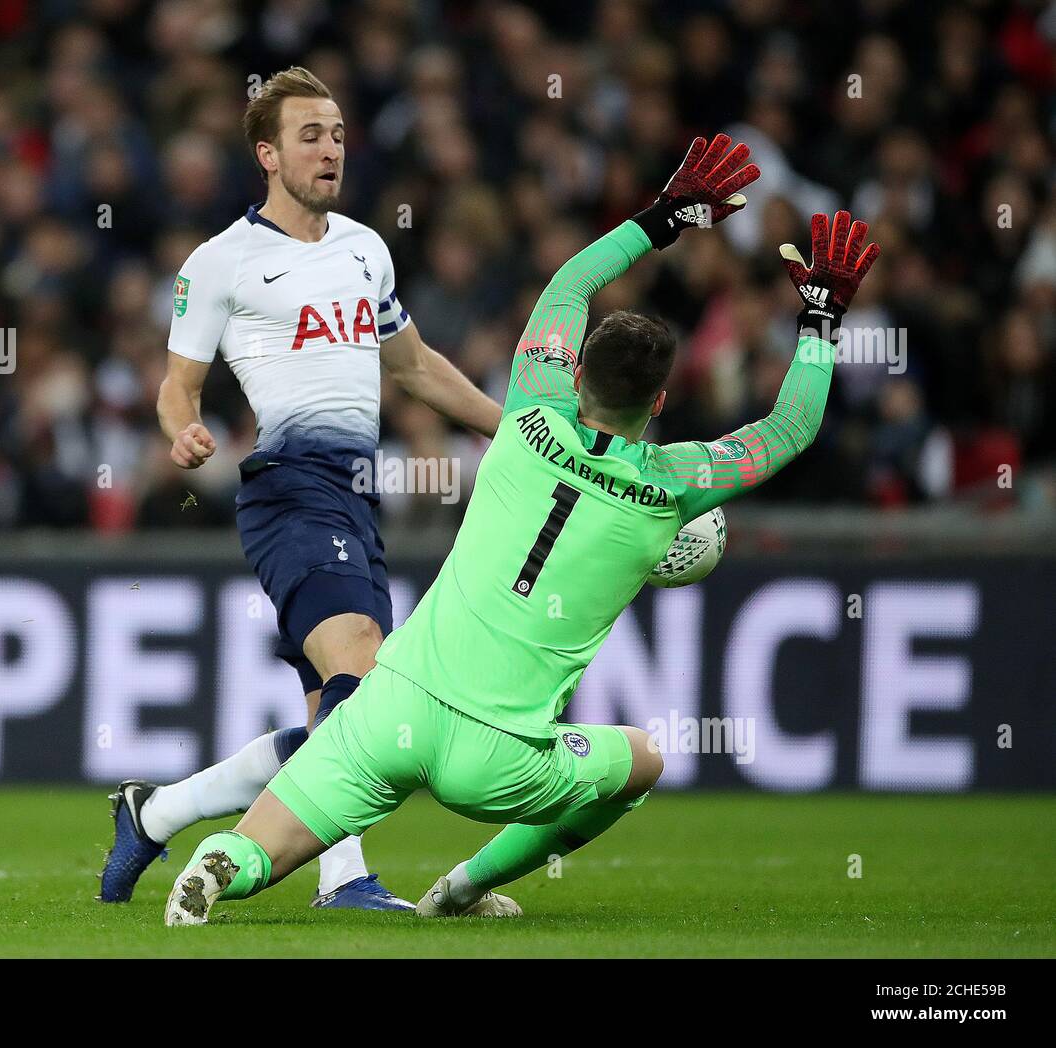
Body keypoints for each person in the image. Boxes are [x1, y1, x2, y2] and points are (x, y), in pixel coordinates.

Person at [160, 135, 881, 925]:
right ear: (661, 407)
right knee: (642, 760)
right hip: (498, 761)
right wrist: (820, 320)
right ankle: (462, 889)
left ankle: (217, 864)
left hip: (395, 704)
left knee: (270, 842)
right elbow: (789, 430)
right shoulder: (674, 483)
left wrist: (665, 217)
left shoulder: (531, 409)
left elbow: (572, 283)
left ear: (574, 376)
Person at [98, 67, 501, 910]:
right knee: (364, 669)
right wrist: (183, 427)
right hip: (288, 491)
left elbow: (415, 367)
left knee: (342, 722)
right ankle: (344, 881)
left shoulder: (366, 248)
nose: (331, 149)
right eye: (311, 135)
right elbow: (179, 383)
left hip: (359, 495)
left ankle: (156, 810)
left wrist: (513, 431)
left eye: (340, 134)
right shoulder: (220, 263)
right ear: (268, 154)